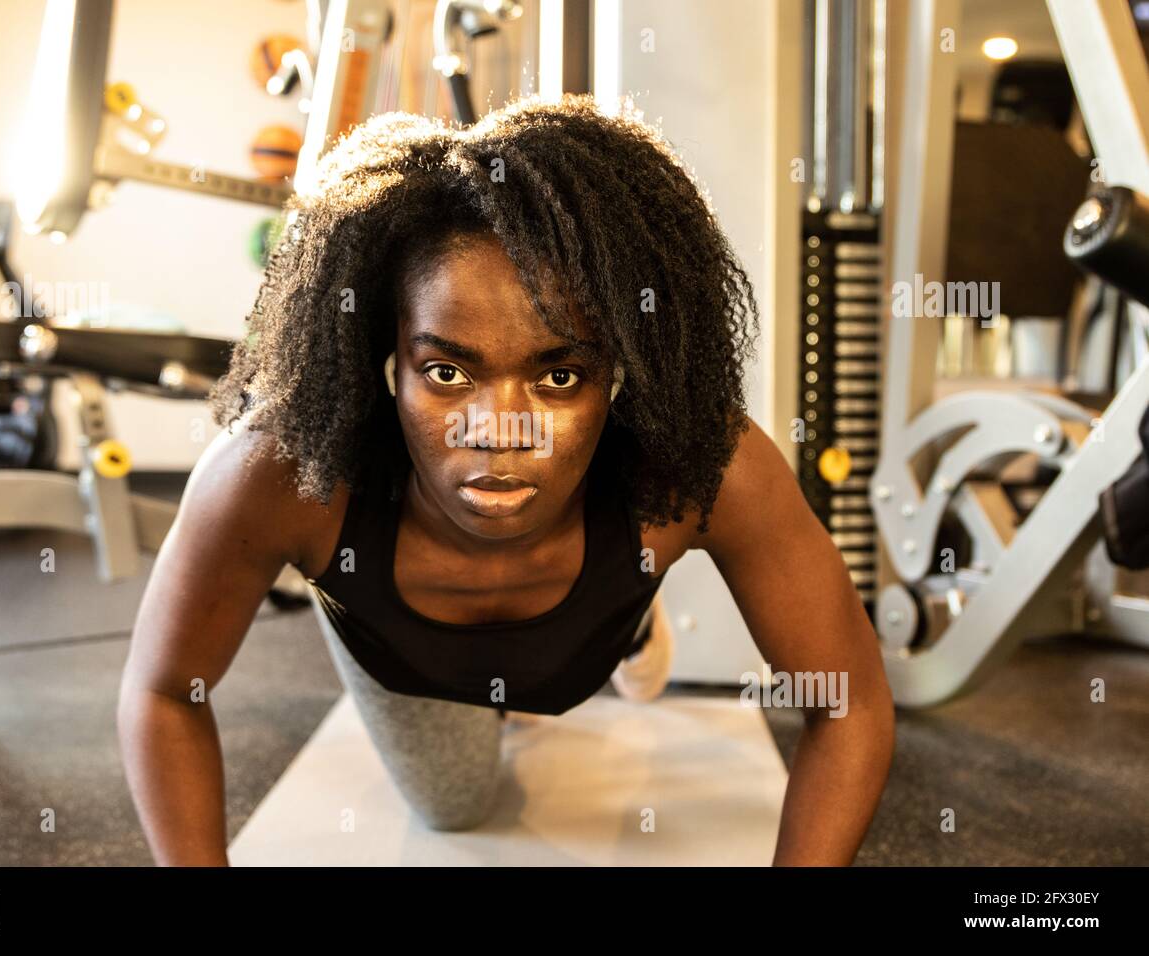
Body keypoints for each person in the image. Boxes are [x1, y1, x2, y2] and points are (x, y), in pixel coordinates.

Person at [117, 94, 895, 866]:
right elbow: (162, 694)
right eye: (448, 371)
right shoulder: (282, 472)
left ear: (618, 375)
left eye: (559, 376)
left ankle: (628, 618)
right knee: (452, 807)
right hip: (397, 644)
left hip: (595, 614)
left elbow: (850, 705)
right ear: (388, 362)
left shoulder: (701, 466)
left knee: (605, 599)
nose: (499, 432)